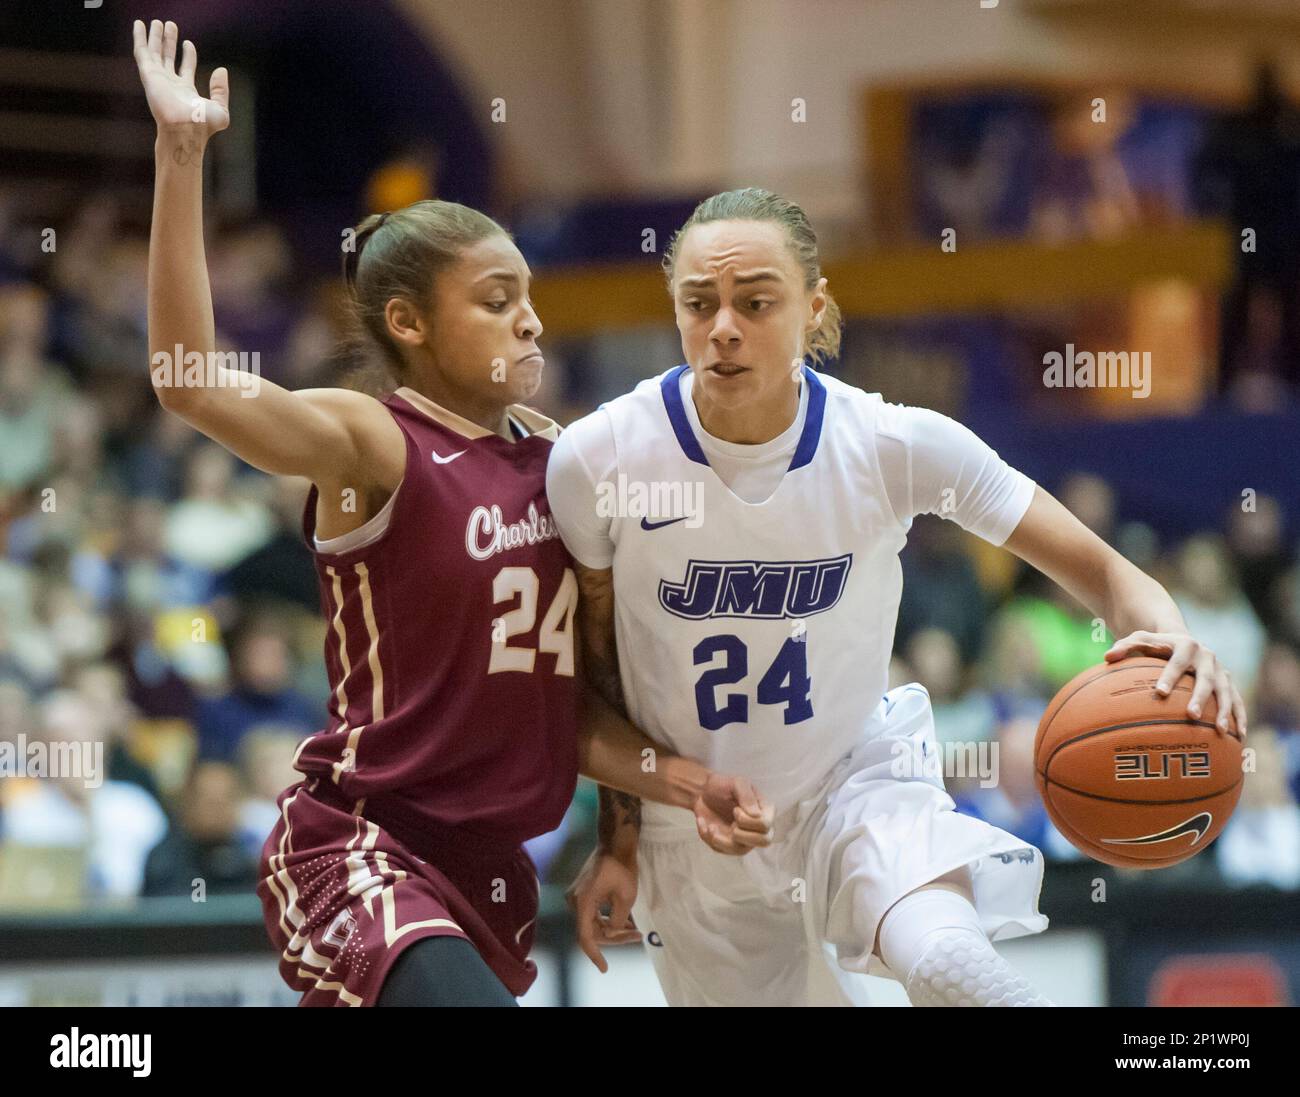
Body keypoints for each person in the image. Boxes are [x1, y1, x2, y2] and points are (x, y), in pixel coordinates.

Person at [132, 20, 768, 1007]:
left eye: (529, 297)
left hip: (487, 867)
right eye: (496, 298)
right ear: (409, 324)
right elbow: (186, 384)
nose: (530, 319)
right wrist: (180, 157)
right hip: (359, 846)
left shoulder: (566, 465)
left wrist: (677, 782)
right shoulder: (374, 439)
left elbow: (563, 707)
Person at [548, 187, 1249, 1007]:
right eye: (698, 303)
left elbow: (1106, 573)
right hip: (692, 830)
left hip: (856, 782)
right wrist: (625, 837)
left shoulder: (891, 445)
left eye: (756, 301)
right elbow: (588, 682)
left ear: (815, 309)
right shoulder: (599, 460)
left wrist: (1172, 637)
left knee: (954, 967)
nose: (724, 326)